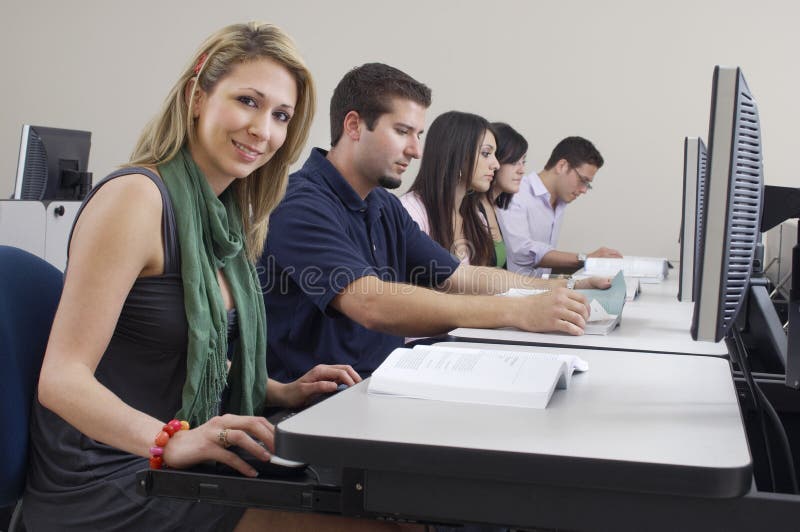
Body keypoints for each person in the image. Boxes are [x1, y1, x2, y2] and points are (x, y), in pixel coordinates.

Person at [23, 23, 402, 532]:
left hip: (178, 452)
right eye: (247, 100)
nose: (262, 130)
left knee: (387, 501)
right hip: (111, 472)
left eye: (281, 115)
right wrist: (171, 440)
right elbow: (61, 379)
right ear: (196, 98)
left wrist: (280, 391)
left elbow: (188, 358)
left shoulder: (224, 218)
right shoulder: (136, 199)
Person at [259, 63, 610, 383]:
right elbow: (371, 303)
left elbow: (463, 276)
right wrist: (518, 310)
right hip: (316, 407)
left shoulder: (382, 203)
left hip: (382, 384)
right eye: (402, 131)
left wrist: (559, 290)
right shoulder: (300, 201)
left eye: (419, 135)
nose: (416, 150)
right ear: (353, 126)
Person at [497, 136, 622, 277]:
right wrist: (585, 258)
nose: (584, 190)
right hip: (513, 293)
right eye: (583, 180)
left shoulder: (560, 201)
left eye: (588, 185)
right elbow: (521, 253)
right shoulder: (516, 193)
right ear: (562, 166)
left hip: (541, 289)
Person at [400, 110, 500, 266]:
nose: (496, 165)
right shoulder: (411, 211)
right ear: (457, 155)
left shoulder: (476, 218)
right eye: (486, 153)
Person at [480, 121, 530, 268]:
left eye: (523, 161)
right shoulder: (472, 209)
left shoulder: (494, 207)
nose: (522, 170)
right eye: (515, 162)